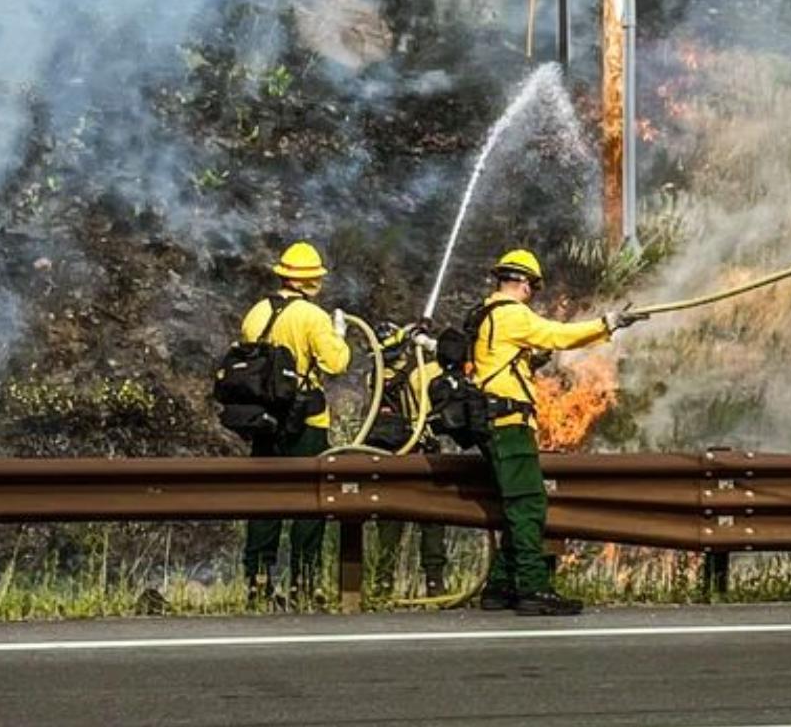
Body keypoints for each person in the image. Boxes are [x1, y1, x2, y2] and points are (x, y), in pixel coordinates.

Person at [469, 248, 643, 615]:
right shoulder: (511, 313)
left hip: (496, 422)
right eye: (533, 286)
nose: (532, 293)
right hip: (509, 425)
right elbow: (558, 335)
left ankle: (499, 587)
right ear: (524, 283)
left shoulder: (486, 314)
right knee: (529, 505)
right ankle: (532, 588)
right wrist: (607, 323)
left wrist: (529, 362)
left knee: (517, 506)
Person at [241, 241, 352, 607]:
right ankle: (304, 581)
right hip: (306, 421)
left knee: (264, 500)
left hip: (265, 420)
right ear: (311, 280)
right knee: (310, 501)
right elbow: (335, 364)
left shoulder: (256, 312)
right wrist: (338, 335)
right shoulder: (312, 316)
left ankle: (257, 580)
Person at [368, 326, 449, 600]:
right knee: (432, 518)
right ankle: (435, 583)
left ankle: (383, 584)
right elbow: (454, 361)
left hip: (387, 459)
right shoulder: (421, 372)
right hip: (420, 454)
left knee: (389, 523)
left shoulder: (374, 376)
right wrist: (429, 344)